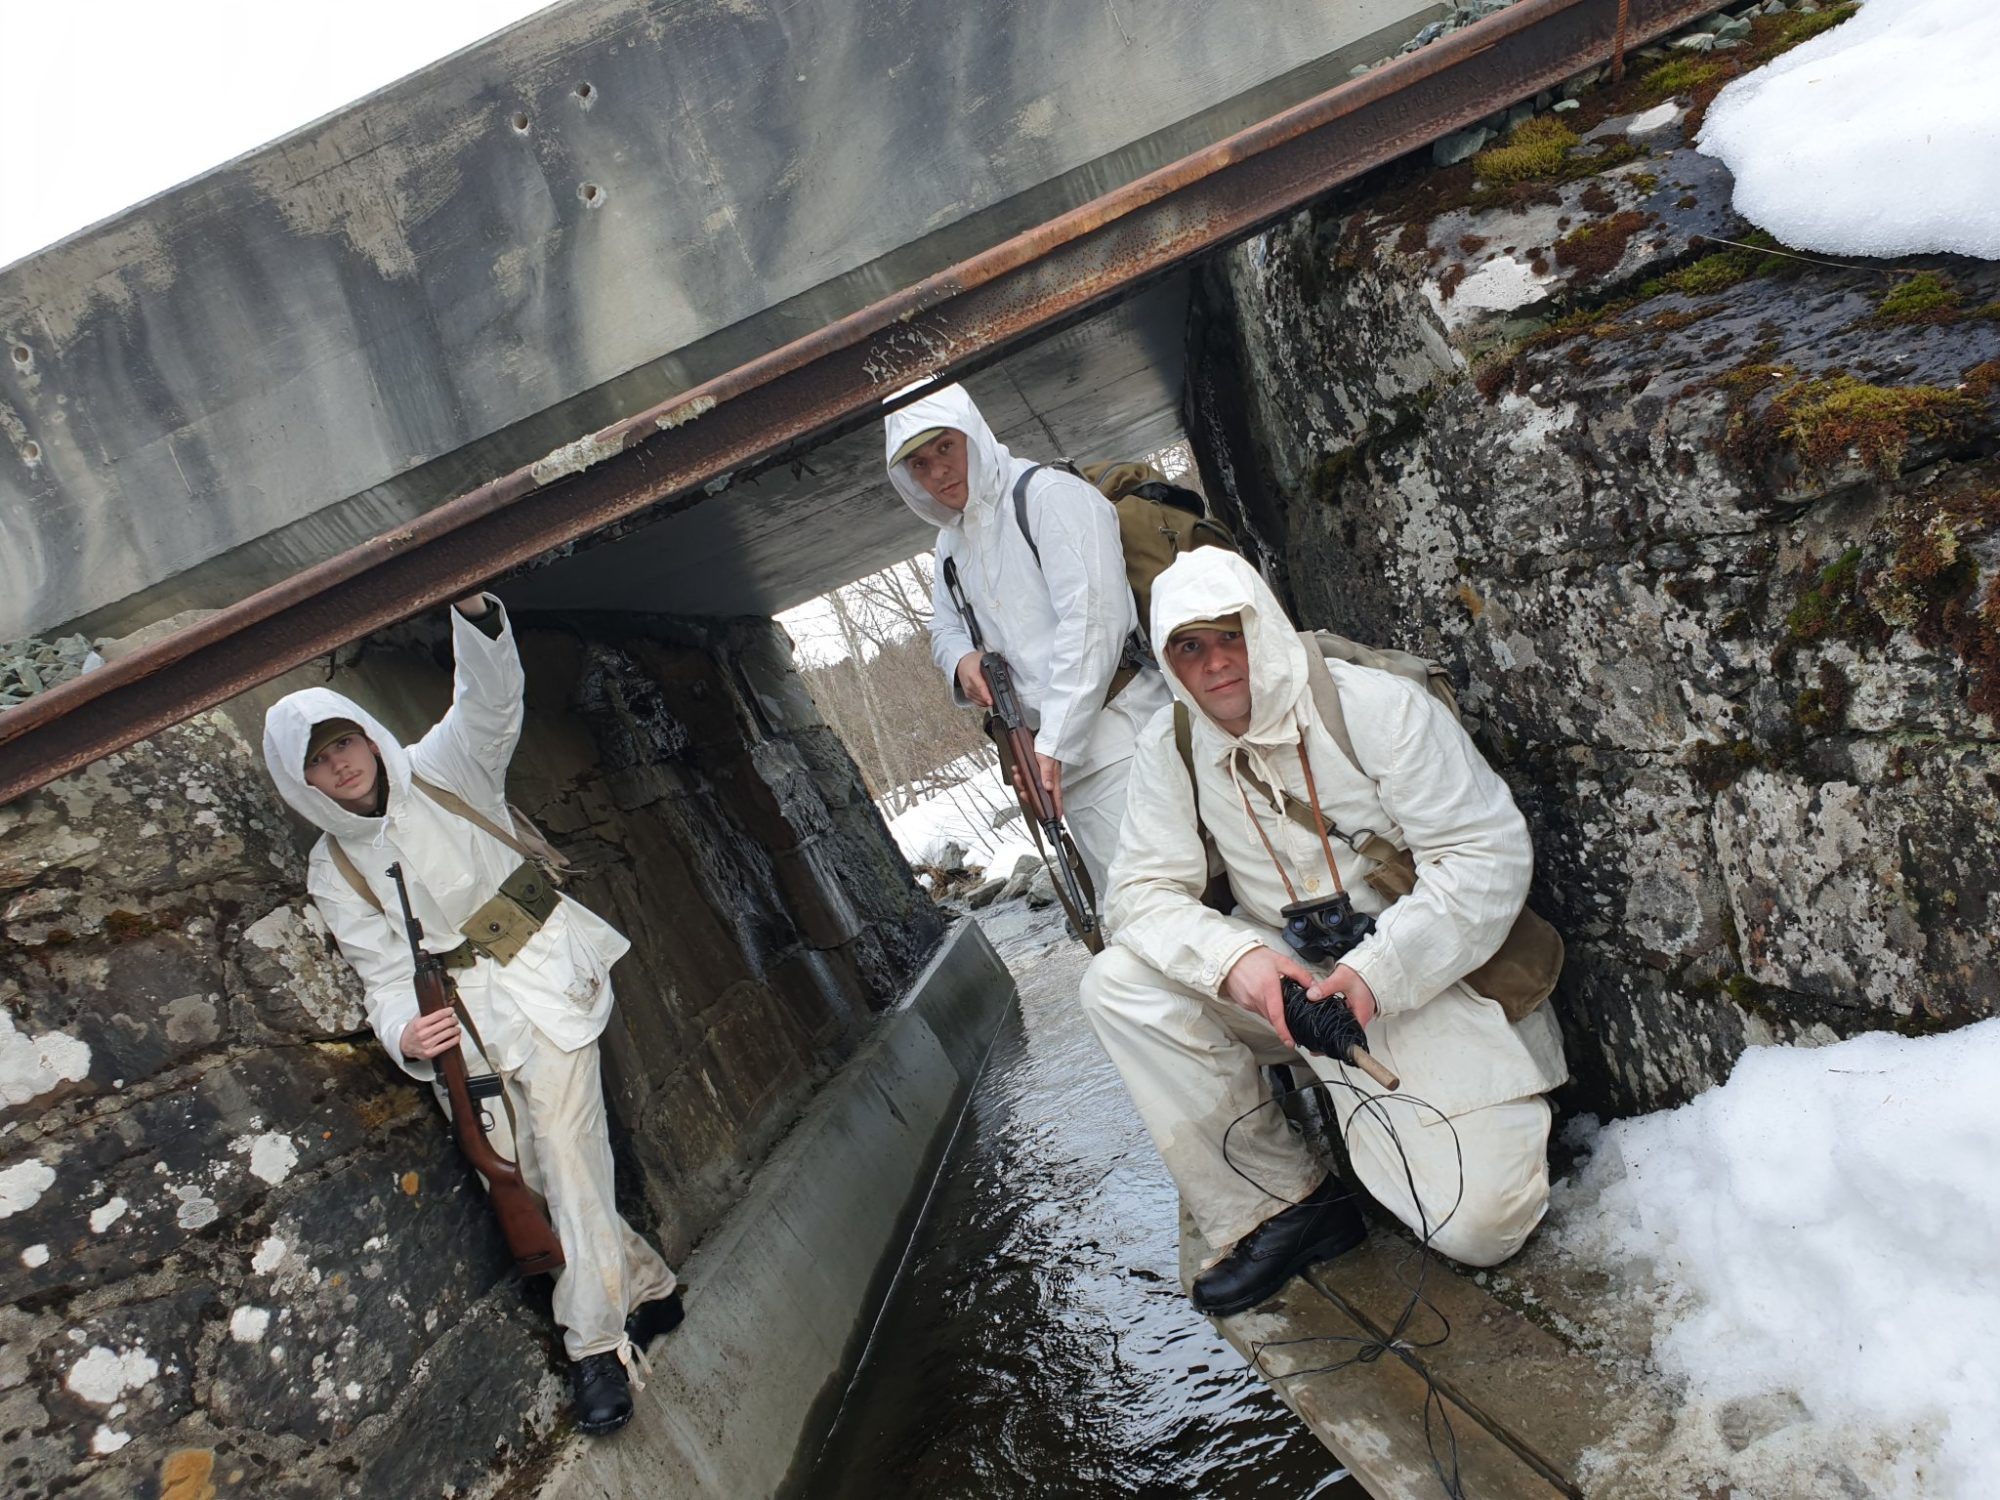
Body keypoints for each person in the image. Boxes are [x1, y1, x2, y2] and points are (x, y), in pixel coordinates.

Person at [1079, 549, 1568, 1316]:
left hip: (1416, 974)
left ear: (1263, 628)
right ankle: (1285, 1203)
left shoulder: (1374, 707)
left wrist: (1378, 973)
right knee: (1116, 983)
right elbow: (1138, 893)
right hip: (1287, 983)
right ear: (1169, 662)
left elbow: (1485, 856)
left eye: (1231, 636)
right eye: (1190, 647)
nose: (1216, 664)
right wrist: (1237, 960)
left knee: (1482, 1228)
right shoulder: (1171, 744)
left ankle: (1451, 1106)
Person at [260, 592, 679, 1435]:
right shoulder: (331, 868)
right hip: (466, 1024)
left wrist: (478, 614)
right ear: (300, 781)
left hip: (546, 978)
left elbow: (489, 700)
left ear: (366, 735)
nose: (341, 766)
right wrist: (402, 1032)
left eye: (343, 743)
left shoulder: (443, 766)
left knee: (569, 1157)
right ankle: (651, 1288)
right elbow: (382, 975)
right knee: (528, 1172)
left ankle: (595, 1349)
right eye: (319, 761)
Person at [885, 382, 1173, 896]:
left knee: (1165, 904)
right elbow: (943, 626)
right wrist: (962, 660)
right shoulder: (950, 545)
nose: (938, 472)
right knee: (1133, 912)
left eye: (946, 447)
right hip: (1058, 766)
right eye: (920, 464)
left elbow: (1095, 623)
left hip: (1129, 742)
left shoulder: (1048, 496)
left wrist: (1054, 746)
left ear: (972, 435)